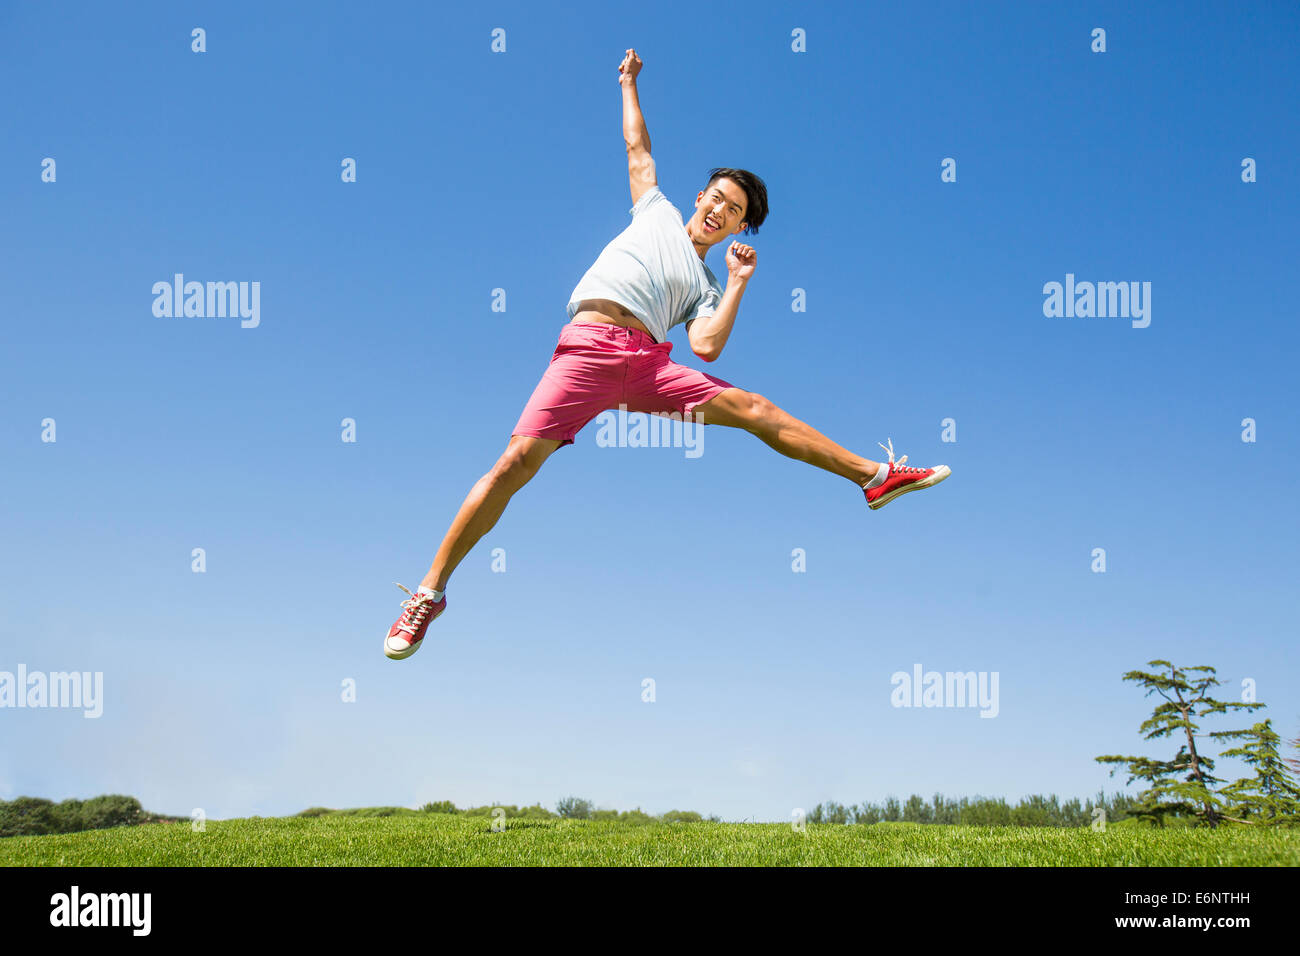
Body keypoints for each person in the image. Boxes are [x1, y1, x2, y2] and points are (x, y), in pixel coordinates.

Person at [384, 49, 949, 660]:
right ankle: (428, 593)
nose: (719, 210)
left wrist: (736, 285)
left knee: (754, 408)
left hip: (650, 364)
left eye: (733, 212)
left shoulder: (708, 283)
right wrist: (628, 83)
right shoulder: (656, 211)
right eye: (717, 197)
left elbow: (704, 345)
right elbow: (639, 151)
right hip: (588, 351)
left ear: (737, 230)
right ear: (701, 195)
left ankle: (873, 476)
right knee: (514, 465)